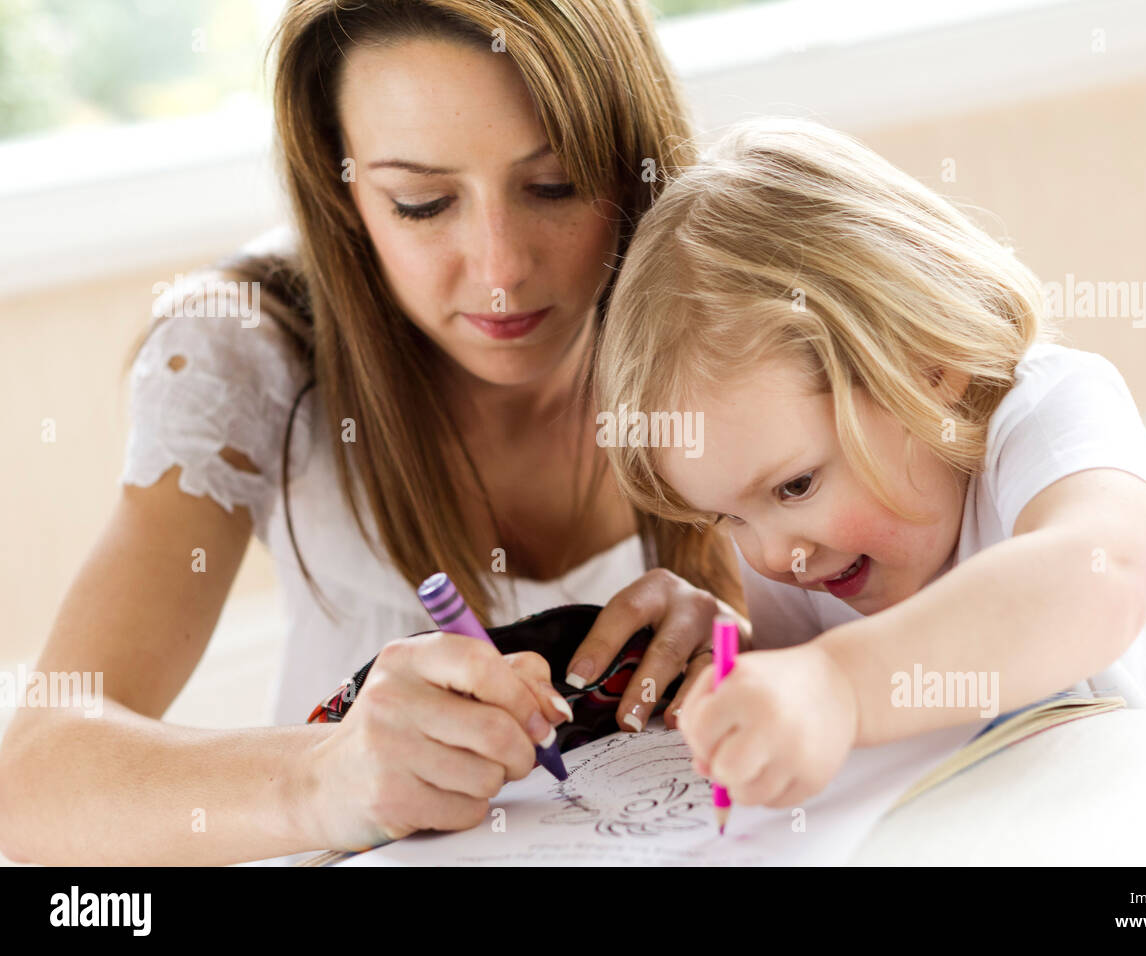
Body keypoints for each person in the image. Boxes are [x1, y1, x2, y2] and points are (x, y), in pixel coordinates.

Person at [0, 0, 745, 865]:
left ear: (633, 165)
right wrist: (321, 778)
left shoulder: (730, 311)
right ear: (341, 186)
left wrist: (761, 639)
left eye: (555, 185)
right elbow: (32, 776)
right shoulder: (248, 350)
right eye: (422, 203)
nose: (501, 269)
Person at [594, 116, 1146, 809]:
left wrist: (838, 685)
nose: (772, 554)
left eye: (796, 486)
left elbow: (1101, 577)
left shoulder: (1048, 413)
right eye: (728, 517)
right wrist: (731, 666)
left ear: (929, 366)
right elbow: (798, 693)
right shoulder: (802, 550)